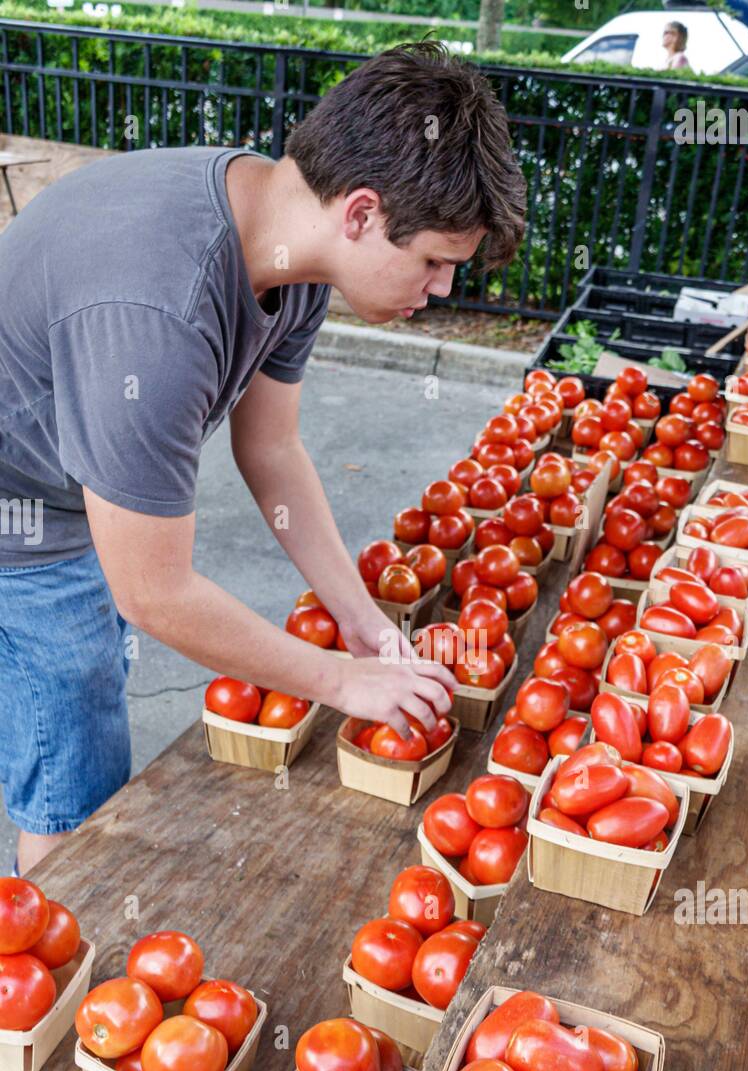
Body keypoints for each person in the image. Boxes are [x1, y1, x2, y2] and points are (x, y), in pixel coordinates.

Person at [0, 41, 526, 875]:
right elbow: (156, 593)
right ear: (359, 212)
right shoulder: (159, 312)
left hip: (68, 470)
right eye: (433, 261)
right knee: (76, 784)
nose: (440, 291)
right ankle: (51, 966)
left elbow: (272, 448)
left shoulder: (290, 238)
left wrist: (358, 620)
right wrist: (342, 683)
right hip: (22, 515)